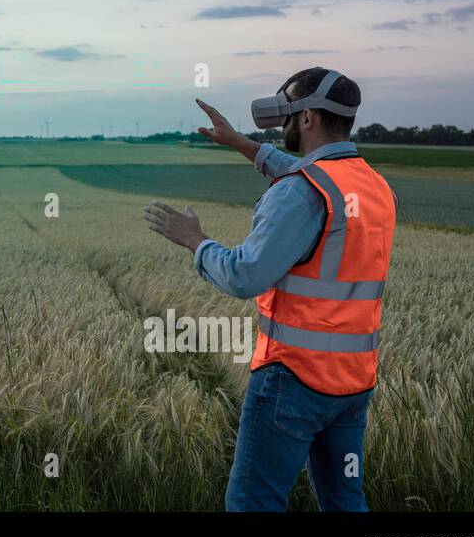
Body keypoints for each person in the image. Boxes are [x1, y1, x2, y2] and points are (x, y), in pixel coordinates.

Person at [142, 68, 397, 511]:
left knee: (253, 503)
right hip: (354, 381)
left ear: (308, 118)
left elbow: (245, 276)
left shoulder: (298, 193)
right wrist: (242, 143)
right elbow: (311, 175)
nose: (282, 127)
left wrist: (195, 241)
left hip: (294, 378)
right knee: (344, 501)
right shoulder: (371, 184)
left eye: (288, 116)